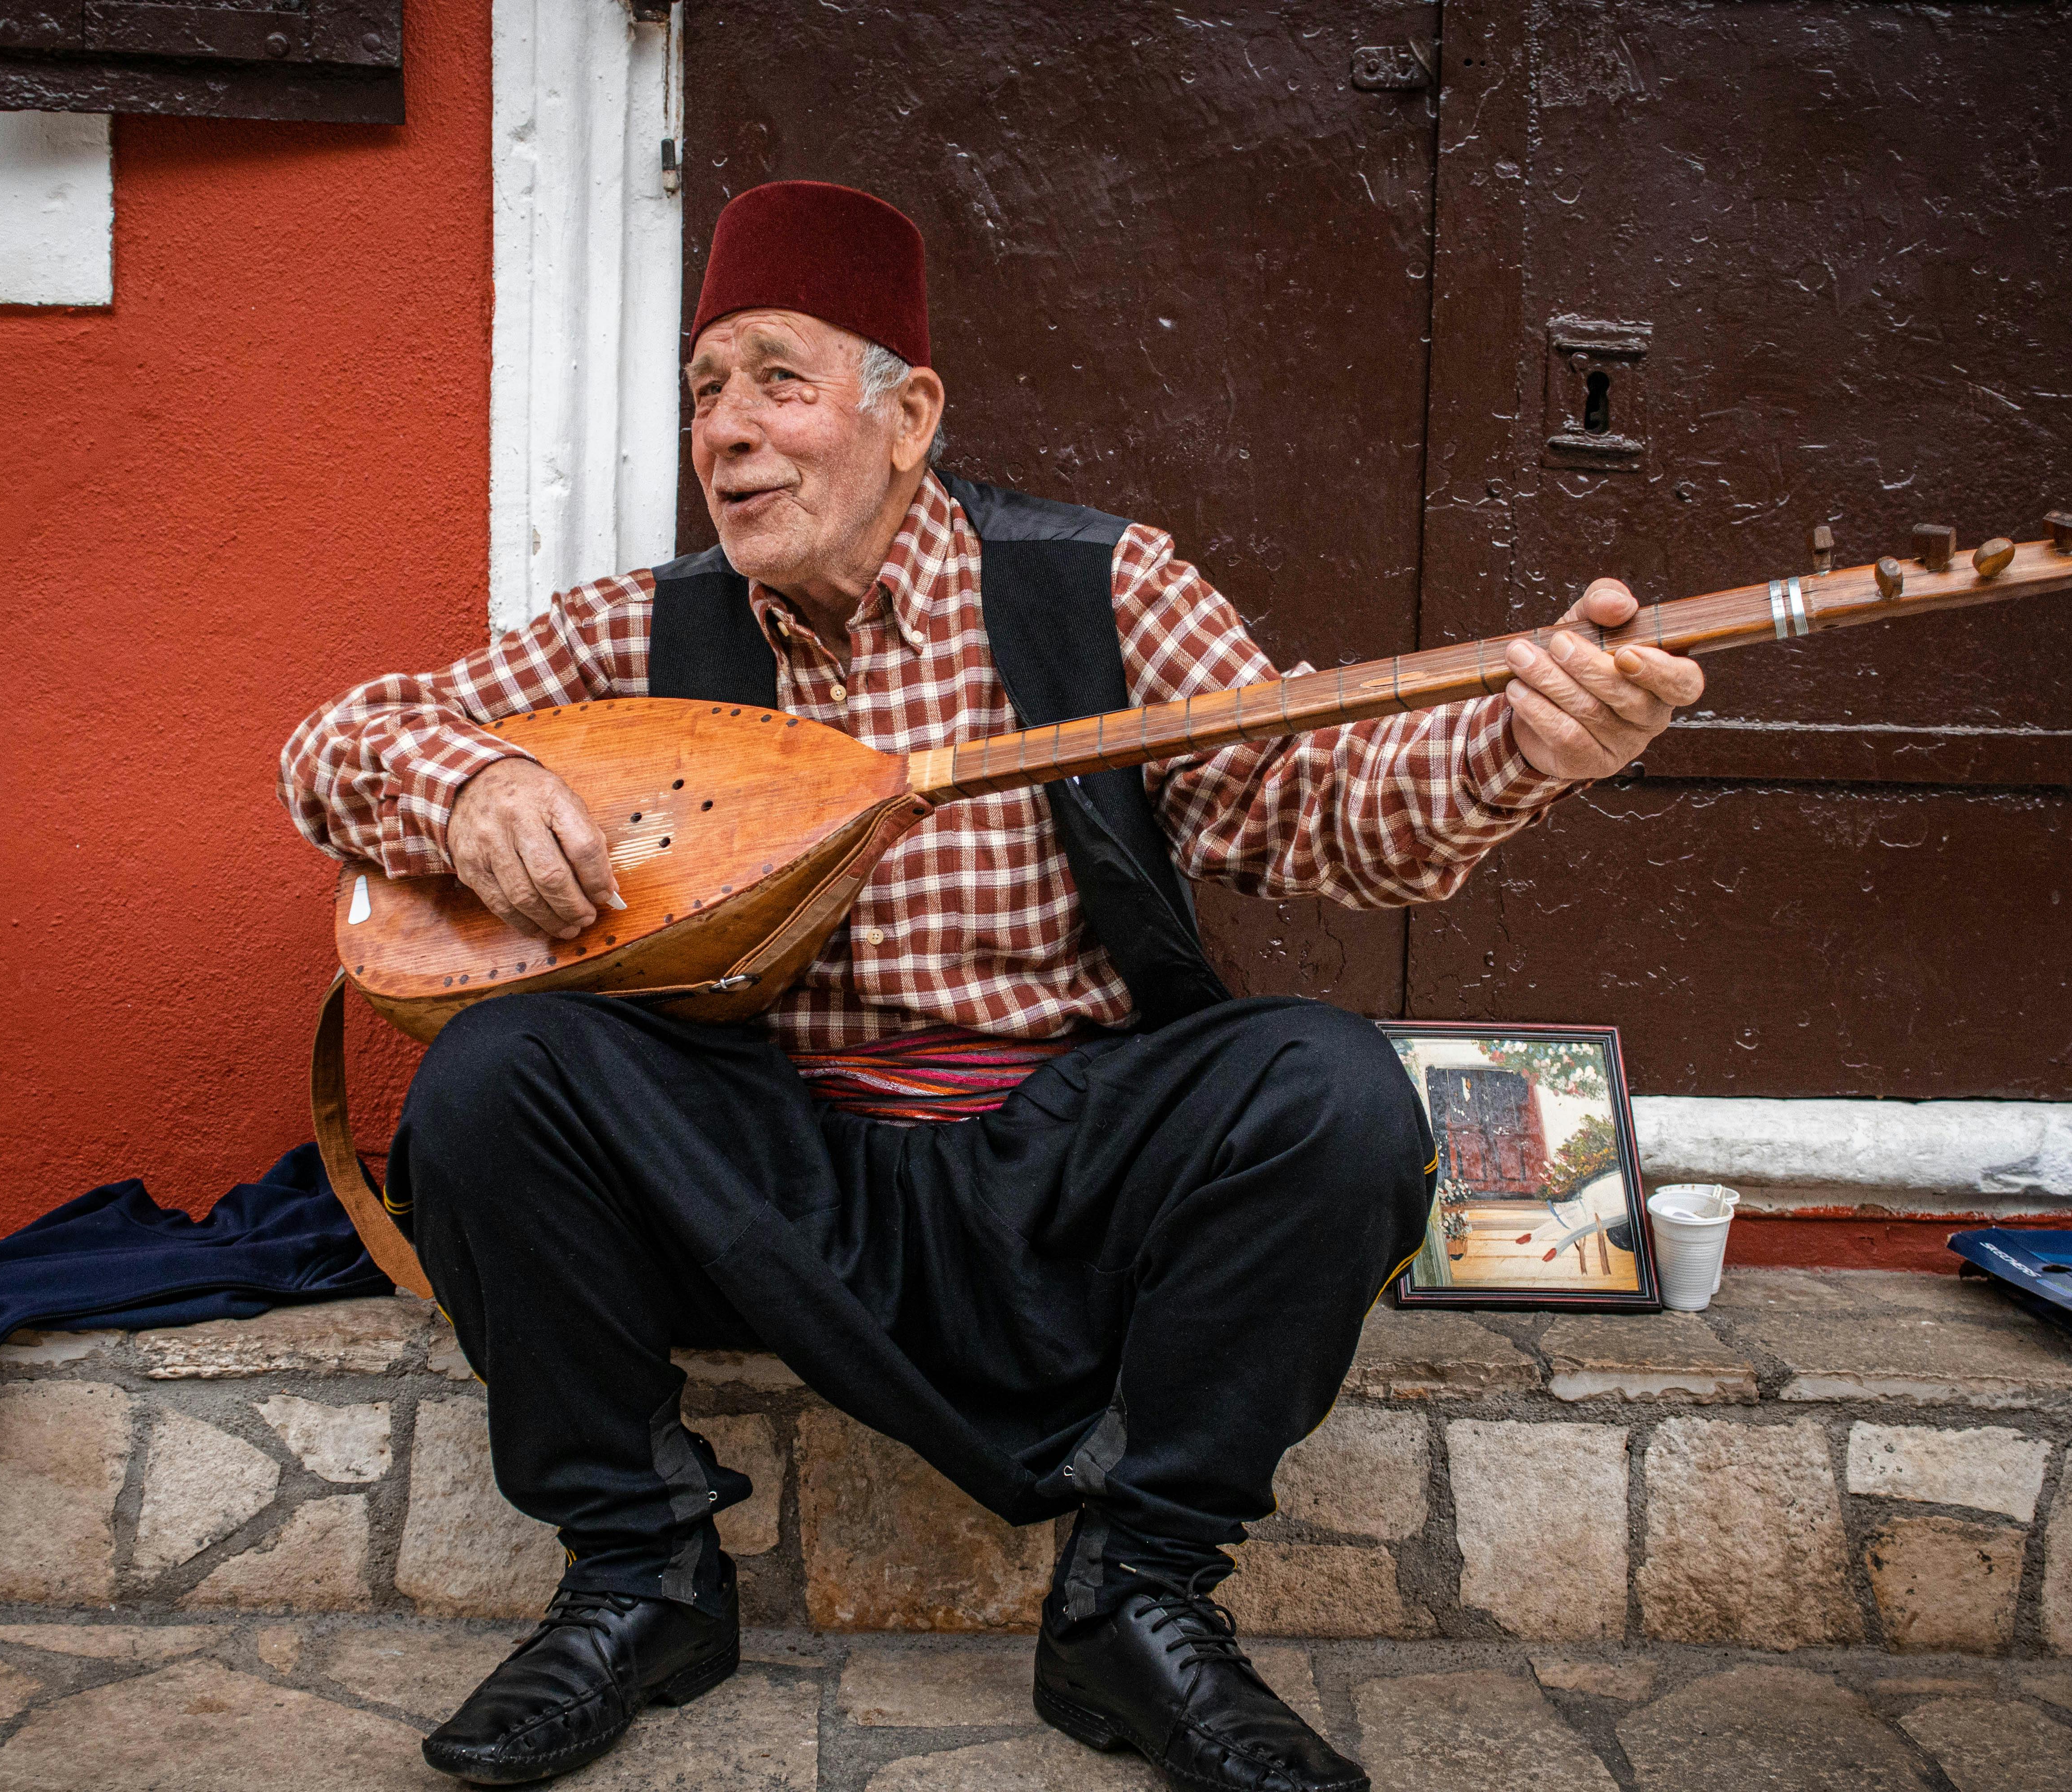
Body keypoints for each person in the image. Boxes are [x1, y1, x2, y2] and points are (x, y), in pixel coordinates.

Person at [280, 181, 1702, 1792]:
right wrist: (462, 792)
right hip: (764, 1175)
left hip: (1061, 1163)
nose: (726, 432)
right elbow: (337, 742)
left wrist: (1523, 743)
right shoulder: (647, 631)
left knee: (1329, 1094)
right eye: (703, 392)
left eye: (777, 379)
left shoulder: (1099, 588)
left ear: (910, 416)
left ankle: (1139, 1597)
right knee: (493, 1081)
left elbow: (1312, 808)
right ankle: (642, 1577)